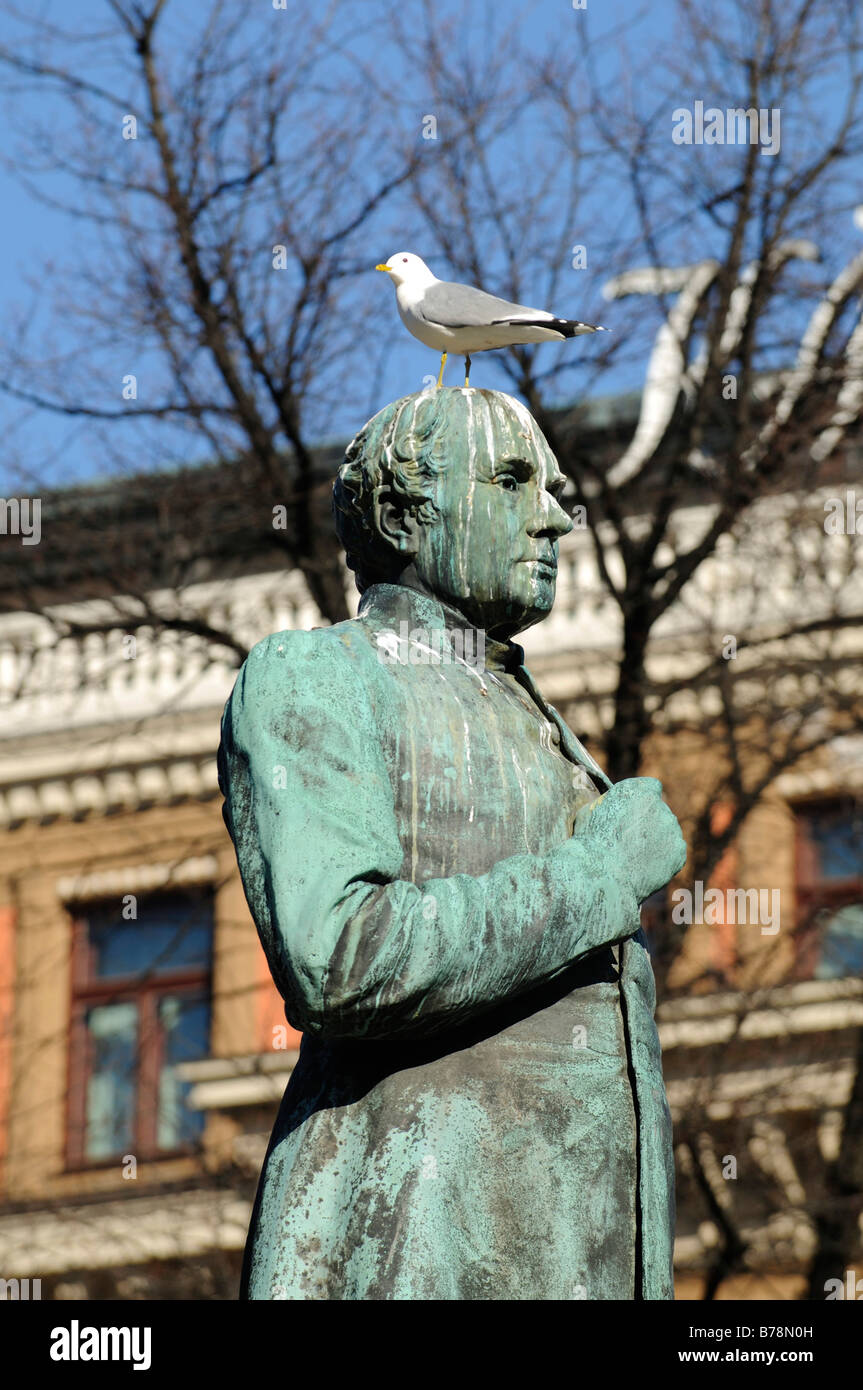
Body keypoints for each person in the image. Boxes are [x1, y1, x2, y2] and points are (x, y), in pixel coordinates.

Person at [218, 387, 687, 1300]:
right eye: (511, 480)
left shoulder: (529, 716)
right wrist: (599, 877)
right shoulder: (319, 676)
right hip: (419, 1240)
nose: (553, 517)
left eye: (553, 488)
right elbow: (340, 954)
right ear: (402, 511)